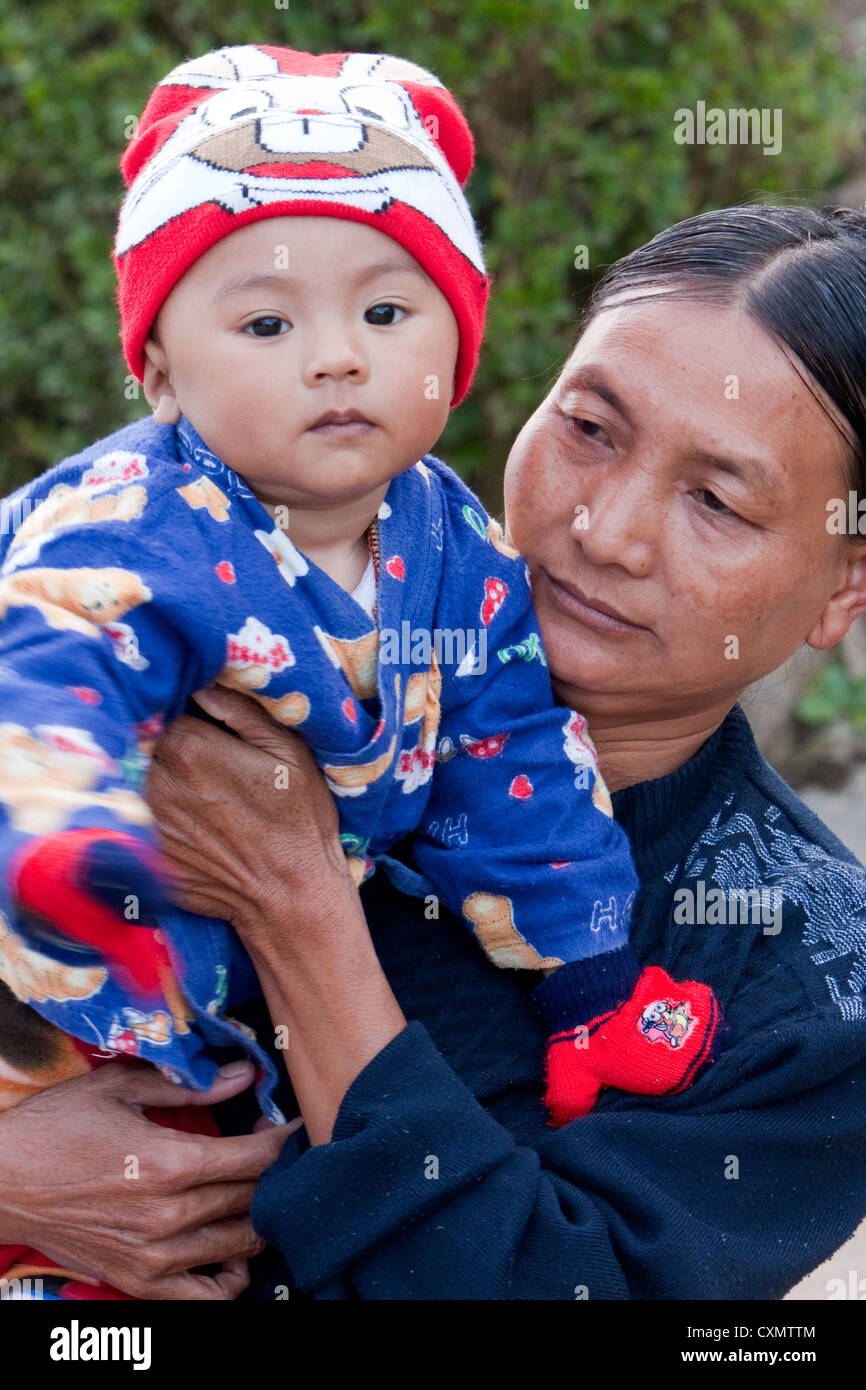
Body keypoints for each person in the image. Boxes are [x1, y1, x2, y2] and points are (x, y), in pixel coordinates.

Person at [1, 200, 864, 1300]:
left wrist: (297, 903)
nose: (605, 530)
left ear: (842, 585)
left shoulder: (812, 990)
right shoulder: (231, 627)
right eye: (589, 430)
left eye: (714, 498)